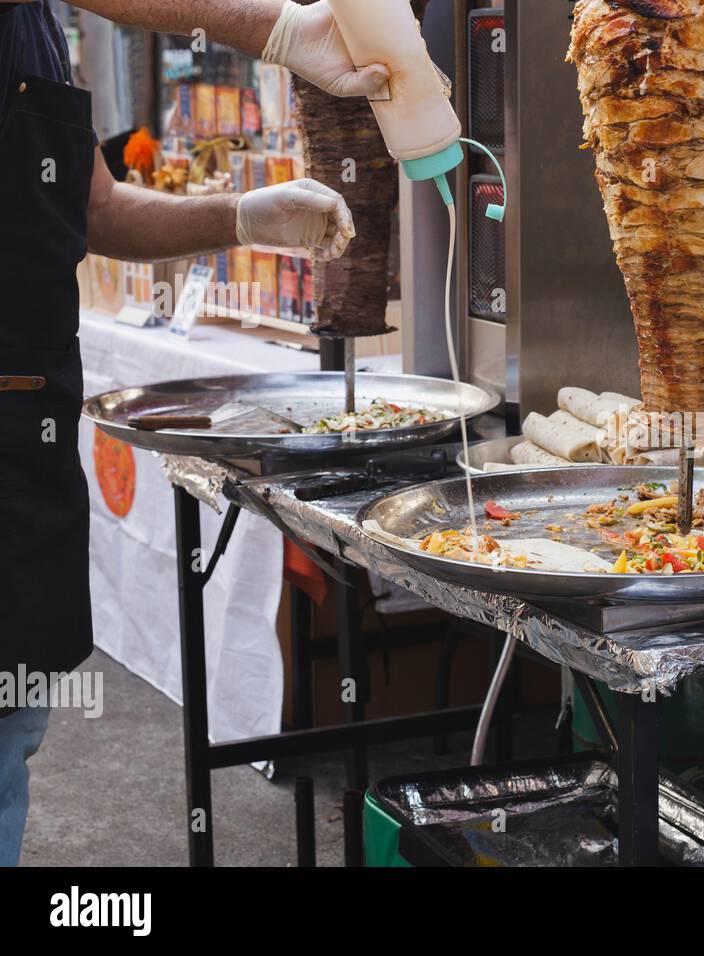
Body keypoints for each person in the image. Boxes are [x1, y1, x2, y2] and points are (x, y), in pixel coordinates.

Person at [0, 0, 388, 866]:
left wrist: (243, 217)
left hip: (24, 434)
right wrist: (270, 27)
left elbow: (95, 211)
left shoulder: (37, 31)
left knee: (12, 731)